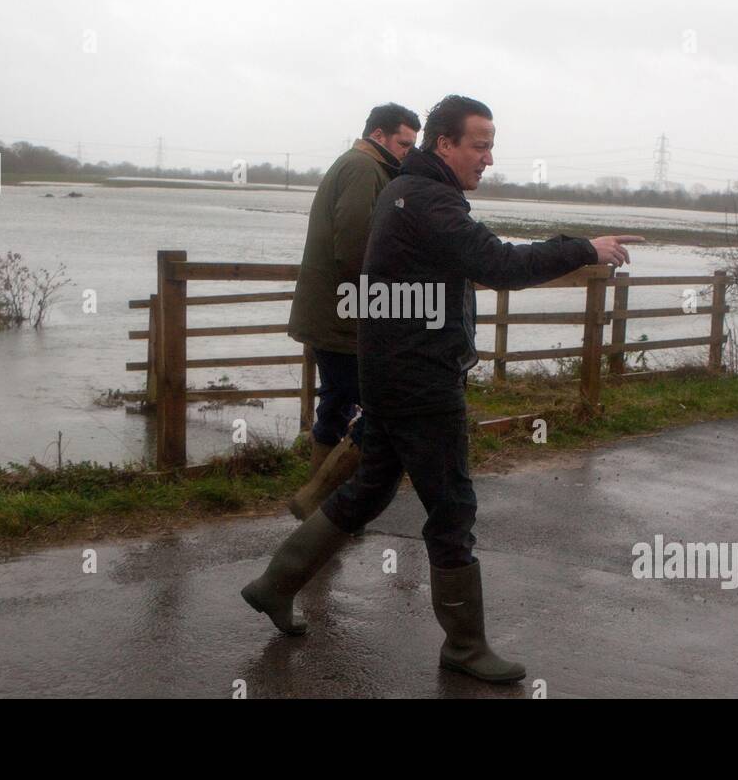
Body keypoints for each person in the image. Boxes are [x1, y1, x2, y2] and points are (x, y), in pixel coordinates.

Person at [244, 95, 643, 684]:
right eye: (478, 145)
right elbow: (498, 264)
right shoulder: (426, 199)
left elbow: (472, 263)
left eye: (491, 145)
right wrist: (584, 248)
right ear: (444, 145)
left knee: (368, 491)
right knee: (452, 508)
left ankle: (273, 585)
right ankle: (464, 645)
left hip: (393, 371)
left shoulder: (409, 191)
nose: (487, 158)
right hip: (418, 379)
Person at [285, 103, 421, 521]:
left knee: (338, 400)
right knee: (387, 406)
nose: (408, 153)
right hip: (346, 318)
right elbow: (356, 250)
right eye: (403, 143)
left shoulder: (360, 165)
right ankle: (321, 500)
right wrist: (387, 303)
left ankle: (318, 502)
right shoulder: (364, 169)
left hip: (331, 313)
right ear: (379, 136)